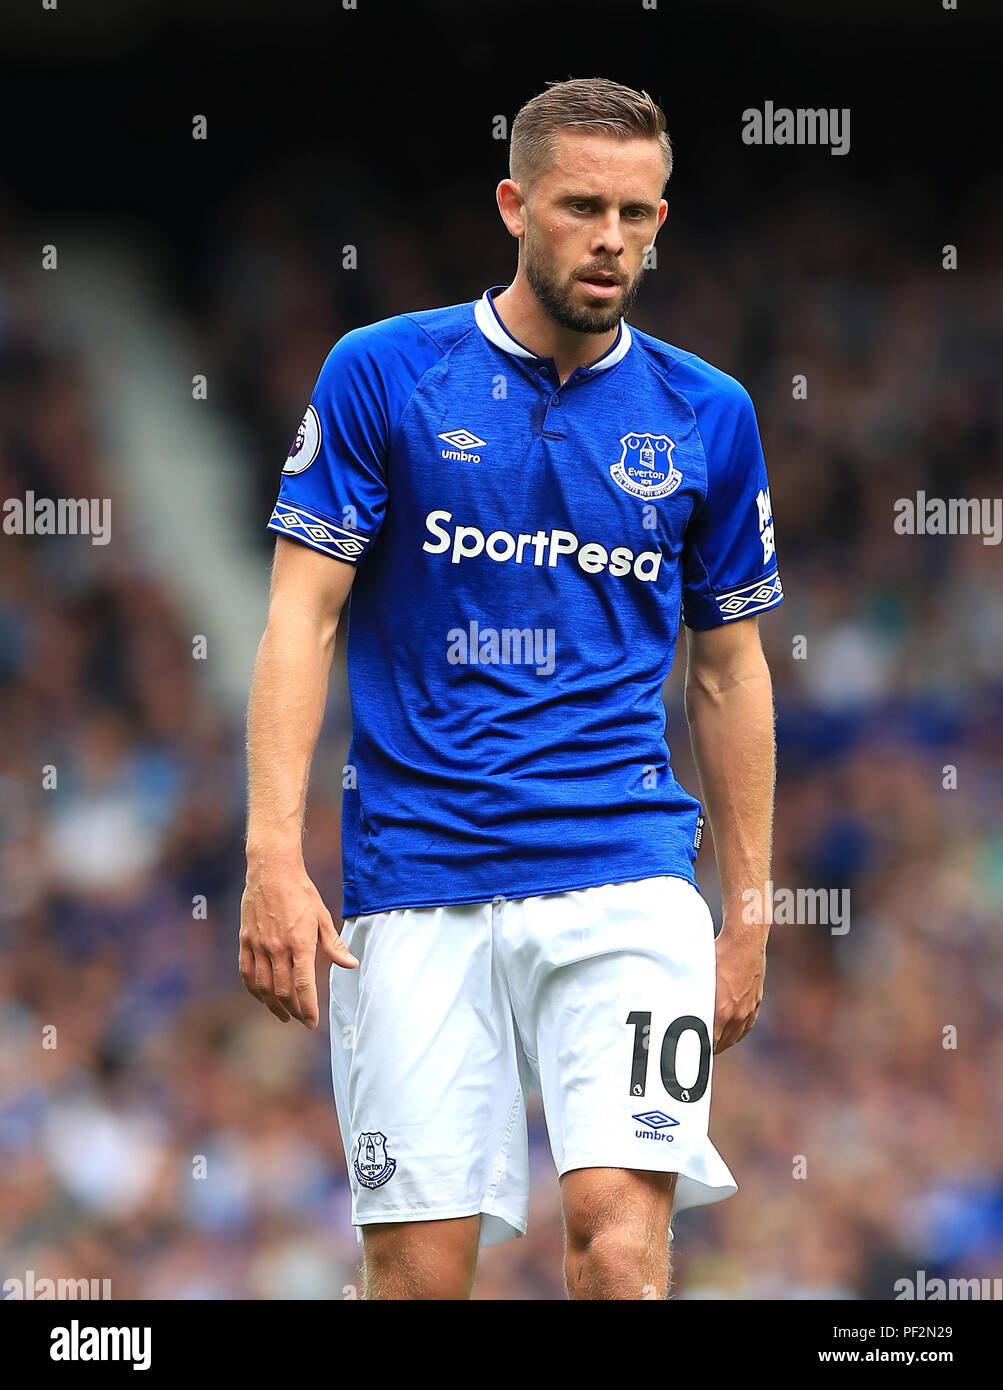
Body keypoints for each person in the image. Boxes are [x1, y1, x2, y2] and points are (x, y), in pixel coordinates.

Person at [240, 76, 782, 1300]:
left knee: (616, 1238)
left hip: (629, 873)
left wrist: (747, 910)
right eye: (583, 206)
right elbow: (298, 616)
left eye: (639, 214)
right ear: (513, 205)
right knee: (421, 1277)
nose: (612, 238)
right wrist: (274, 856)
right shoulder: (383, 374)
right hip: (417, 872)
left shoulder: (710, 411)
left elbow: (730, 668)